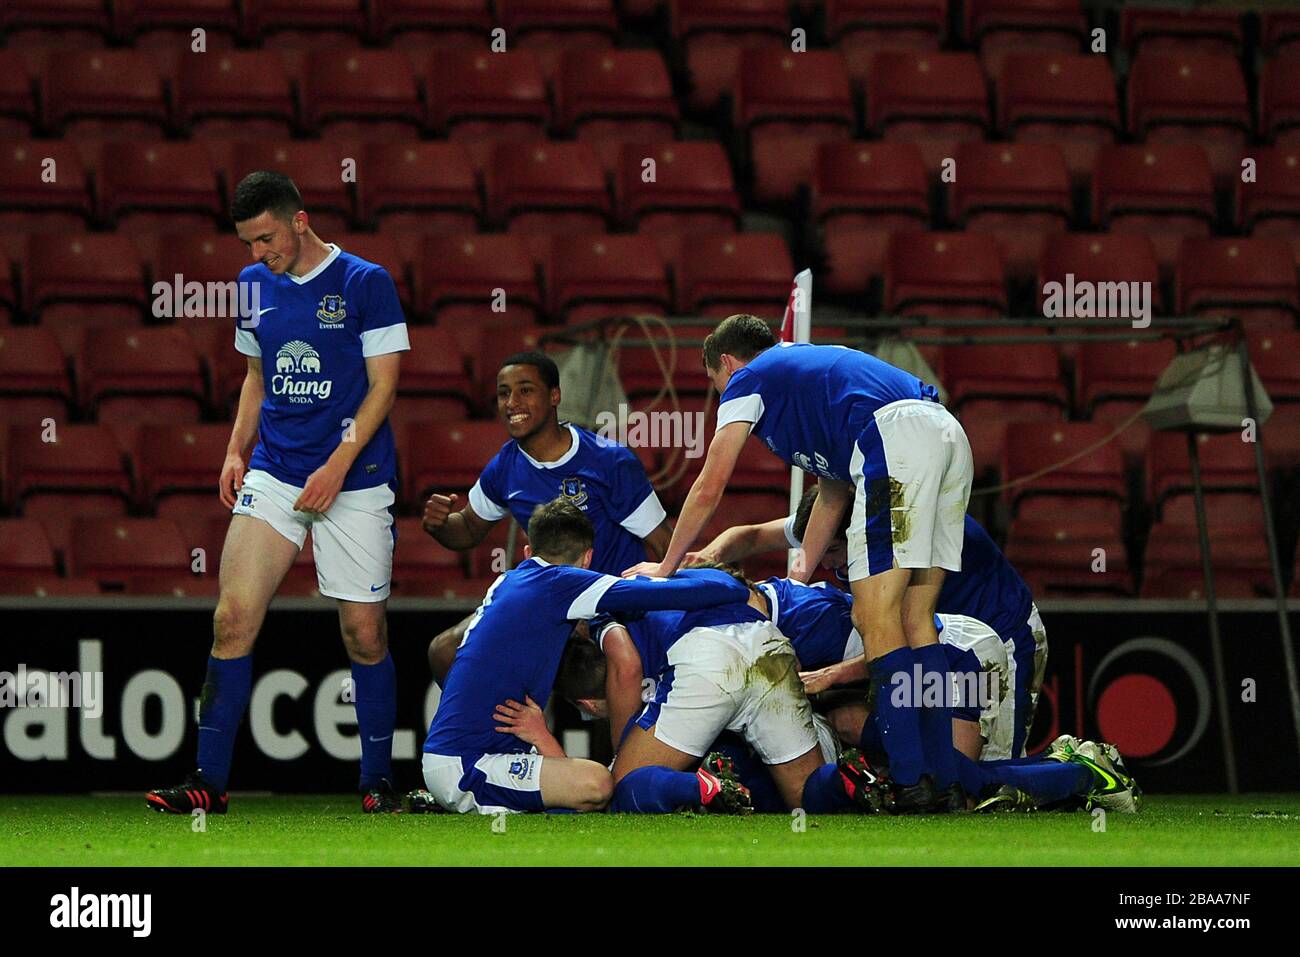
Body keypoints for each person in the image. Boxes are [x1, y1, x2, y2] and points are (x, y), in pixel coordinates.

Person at [625, 315, 974, 812]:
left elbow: (709, 485)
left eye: (714, 383)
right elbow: (831, 494)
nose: (721, 394)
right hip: (946, 434)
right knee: (916, 619)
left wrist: (665, 567)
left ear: (726, 363)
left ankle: (910, 779)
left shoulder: (750, 376)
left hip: (894, 440)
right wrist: (798, 577)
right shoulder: (810, 385)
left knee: (874, 617)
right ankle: (944, 780)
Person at [147, 171, 409, 815]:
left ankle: (376, 783)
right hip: (277, 469)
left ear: (299, 220)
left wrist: (339, 466)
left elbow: (384, 387)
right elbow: (255, 375)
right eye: (245, 243)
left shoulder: (365, 283)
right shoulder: (251, 286)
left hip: (356, 476)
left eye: (264, 238)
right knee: (231, 618)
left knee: (364, 634)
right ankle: (208, 781)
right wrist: (237, 449)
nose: (255, 253)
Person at [420, 499, 753, 815]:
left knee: (586, 783)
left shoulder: (507, 581)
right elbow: (676, 594)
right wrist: (730, 583)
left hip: (471, 753)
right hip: (467, 764)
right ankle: (699, 788)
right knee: (597, 784)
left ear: (527, 551)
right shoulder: (562, 584)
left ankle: (460, 797)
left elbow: (445, 647)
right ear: (588, 559)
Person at [421, 351, 672, 682]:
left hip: (609, 605)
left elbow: (666, 545)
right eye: (503, 392)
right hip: (548, 604)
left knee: (595, 678)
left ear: (555, 396)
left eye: (525, 390)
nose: (512, 402)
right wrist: (439, 525)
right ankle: (497, 734)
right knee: (445, 653)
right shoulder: (505, 466)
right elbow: (468, 528)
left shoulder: (610, 462)